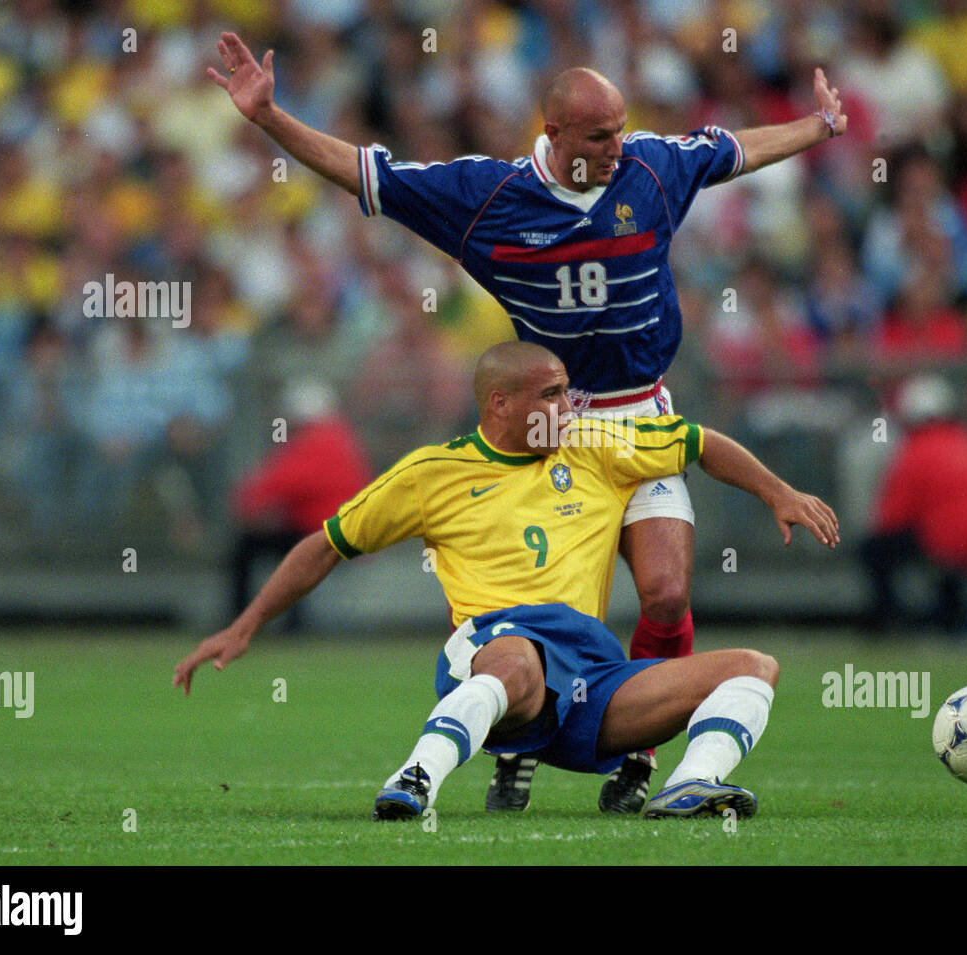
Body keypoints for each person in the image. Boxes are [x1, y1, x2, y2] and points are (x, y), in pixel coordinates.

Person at [206, 31, 847, 811]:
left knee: (669, 595)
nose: (620, 145)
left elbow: (734, 150)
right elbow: (367, 175)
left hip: (637, 412)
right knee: (538, 603)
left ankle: (639, 757)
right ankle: (517, 738)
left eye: (622, 129)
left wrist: (818, 129)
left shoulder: (651, 166)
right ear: (555, 136)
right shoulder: (485, 197)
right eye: (601, 135)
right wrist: (270, 119)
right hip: (549, 424)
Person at [173, 341, 839, 820]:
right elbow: (324, 545)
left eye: (566, 390)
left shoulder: (596, 444)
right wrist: (244, 625)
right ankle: (416, 777)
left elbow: (700, 442)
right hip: (498, 647)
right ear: (501, 403)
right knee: (521, 658)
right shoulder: (433, 472)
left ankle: (690, 787)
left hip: (592, 680)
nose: (566, 403)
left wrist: (778, 491)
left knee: (753, 667)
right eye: (550, 393)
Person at [860, 375, 967, 633]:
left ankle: (889, 622)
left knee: (873, 549)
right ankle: (949, 616)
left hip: (953, 544)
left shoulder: (917, 450)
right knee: (942, 546)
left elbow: (890, 519)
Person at [229, 378, 373, 630]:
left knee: (247, 549)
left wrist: (248, 504)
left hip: (322, 533)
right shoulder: (340, 438)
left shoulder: (317, 441)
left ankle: (245, 620)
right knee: (288, 551)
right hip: (331, 531)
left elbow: (277, 482)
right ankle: (291, 623)